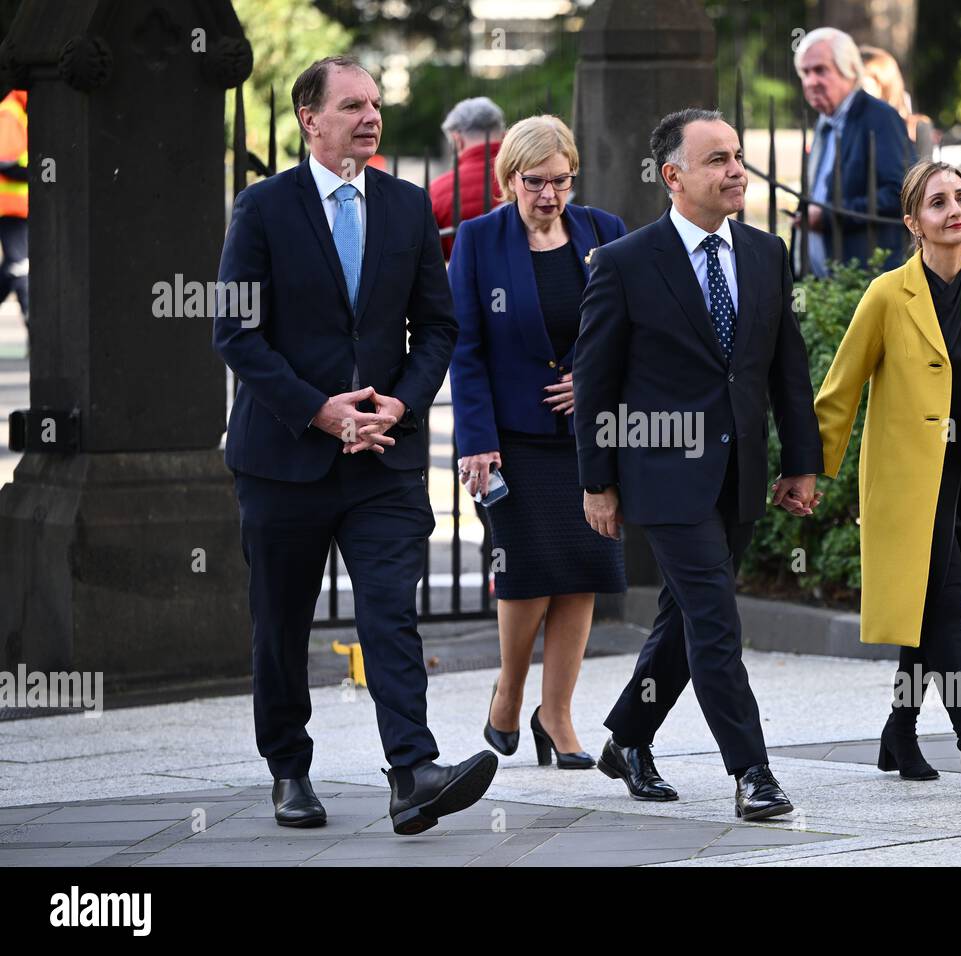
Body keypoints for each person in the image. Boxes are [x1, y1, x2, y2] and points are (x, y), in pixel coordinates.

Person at [214, 55, 497, 835]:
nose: (370, 117)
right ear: (311, 119)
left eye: (376, 103)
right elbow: (235, 331)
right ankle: (290, 770)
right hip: (284, 462)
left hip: (385, 459)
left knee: (388, 614)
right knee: (280, 626)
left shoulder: (408, 207)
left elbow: (439, 325)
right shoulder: (264, 208)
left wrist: (401, 401)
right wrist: (320, 411)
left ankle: (412, 772)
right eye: (352, 105)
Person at [573, 108, 825, 821]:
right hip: (664, 478)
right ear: (673, 176)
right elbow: (595, 383)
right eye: (717, 159)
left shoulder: (765, 253)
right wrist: (597, 481)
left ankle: (627, 737)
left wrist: (800, 462)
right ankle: (753, 773)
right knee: (715, 620)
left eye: (737, 155)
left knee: (685, 619)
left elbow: (786, 371)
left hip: (739, 473)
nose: (736, 169)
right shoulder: (623, 263)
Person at [813, 160, 961, 798]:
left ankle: (899, 731)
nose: (954, 210)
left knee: (930, 612)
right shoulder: (887, 294)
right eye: (937, 203)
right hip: (910, 489)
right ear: (913, 222)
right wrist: (810, 473)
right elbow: (841, 390)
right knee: (940, 606)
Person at [449, 115, 628, 770]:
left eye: (561, 182)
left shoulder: (604, 233)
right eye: (536, 182)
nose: (550, 195)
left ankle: (556, 717)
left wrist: (594, 383)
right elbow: (464, 347)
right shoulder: (477, 240)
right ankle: (510, 692)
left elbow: (629, 326)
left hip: (585, 439)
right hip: (511, 441)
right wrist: (475, 439)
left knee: (581, 572)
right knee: (522, 574)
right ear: (509, 179)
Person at [793, 27, 915, 276]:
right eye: (805, 72)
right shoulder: (824, 122)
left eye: (820, 70)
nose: (810, 81)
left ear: (849, 70)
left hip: (866, 277)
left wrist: (827, 217)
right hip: (823, 284)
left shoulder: (879, 117)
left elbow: (901, 194)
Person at [429, 96, 506, 260]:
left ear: (457, 140)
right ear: (503, 133)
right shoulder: (529, 177)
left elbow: (432, 257)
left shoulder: (438, 189)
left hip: (463, 282)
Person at [859, 45, 933, 154]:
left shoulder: (916, 128)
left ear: (882, 83)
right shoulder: (847, 126)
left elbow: (925, 168)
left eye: (859, 82)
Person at [0, 88, 28, 332]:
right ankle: (33, 322)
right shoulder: (10, 112)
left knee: (14, 266)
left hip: (19, 208)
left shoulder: (19, 111)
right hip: (10, 208)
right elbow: (5, 161)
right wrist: (37, 176)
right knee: (20, 265)